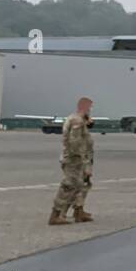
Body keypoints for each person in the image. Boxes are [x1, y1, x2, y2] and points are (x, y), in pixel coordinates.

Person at [49, 96, 95, 225]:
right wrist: (84, 160)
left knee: (83, 184)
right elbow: (75, 142)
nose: (91, 110)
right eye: (89, 108)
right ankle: (56, 214)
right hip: (74, 159)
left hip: (80, 158)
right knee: (69, 185)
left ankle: (78, 211)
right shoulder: (77, 121)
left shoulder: (81, 120)